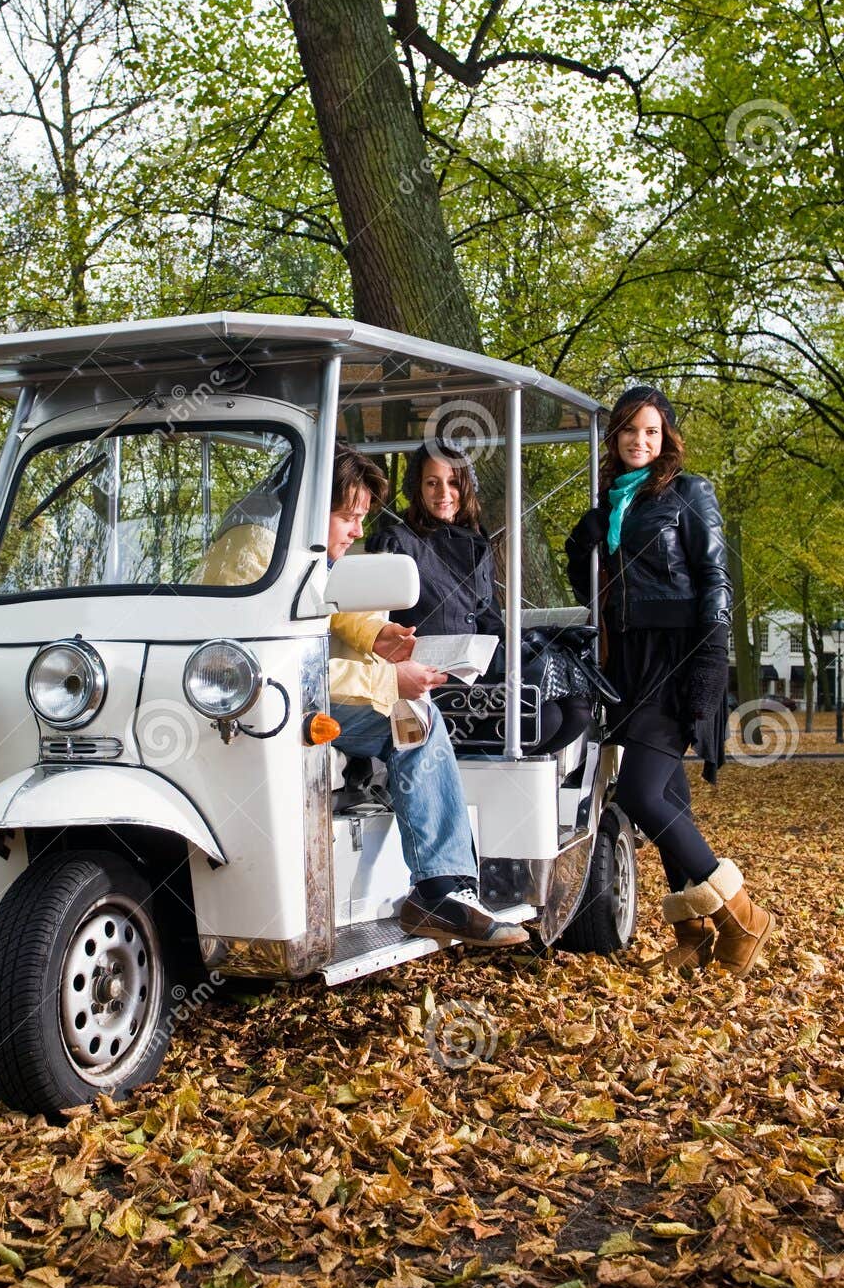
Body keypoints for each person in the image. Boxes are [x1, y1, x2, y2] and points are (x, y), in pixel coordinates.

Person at [565, 386, 775, 978]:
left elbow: (715, 579)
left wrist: (710, 664)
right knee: (669, 797)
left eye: (651, 432)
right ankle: (694, 929)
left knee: (638, 791)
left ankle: (742, 916)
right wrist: (588, 555)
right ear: (615, 437)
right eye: (630, 430)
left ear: (667, 438)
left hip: (678, 654)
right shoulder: (610, 505)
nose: (640, 441)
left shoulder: (690, 493)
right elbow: (590, 578)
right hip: (626, 660)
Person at [328, 446, 528, 948]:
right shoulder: (390, 542)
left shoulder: (477, 543)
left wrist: (378, 635)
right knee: (414, 720)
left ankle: (446, 890)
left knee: (422, 715)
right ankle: (442, 889)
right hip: (296, 700)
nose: (356, 532)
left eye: (454, 483)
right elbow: (294, 663)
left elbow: (339, 608)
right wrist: (392, 676)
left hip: (428, 667)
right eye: (348, 517)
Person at [366, 441, 592, 758]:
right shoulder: (398, 541)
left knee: (577, 710)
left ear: (466, 487)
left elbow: (489, 621)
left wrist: (531, 642)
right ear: (417, 488)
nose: (443, 493)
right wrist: (382, 552)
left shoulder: (475, 541)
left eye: (453, 482)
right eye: (432, 483)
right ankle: (475, 772)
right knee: (547, 718)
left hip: (480, 673)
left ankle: (496, 772)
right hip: (437, 682)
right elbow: (375, 625)